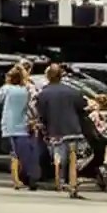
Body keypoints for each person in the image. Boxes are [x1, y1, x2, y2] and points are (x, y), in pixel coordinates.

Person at [36, 63, 89, 199]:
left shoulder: (43, 94)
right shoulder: (72, 91)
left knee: (59, 157)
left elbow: (41, 114)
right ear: (61, 76)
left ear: (48, 77)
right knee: (73, 158)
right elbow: (83, 106)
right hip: (74, 129)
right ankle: (73, 184)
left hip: (56, 131)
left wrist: (44, 127)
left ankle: (59, 182)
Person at [0, 66, 39, 190]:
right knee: (24, 155)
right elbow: (30, 106)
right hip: (22, 126)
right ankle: (29, 177)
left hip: (8, 126)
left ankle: (16, 180)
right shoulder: (25, 91)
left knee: (13, 155)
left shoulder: (6, 89)